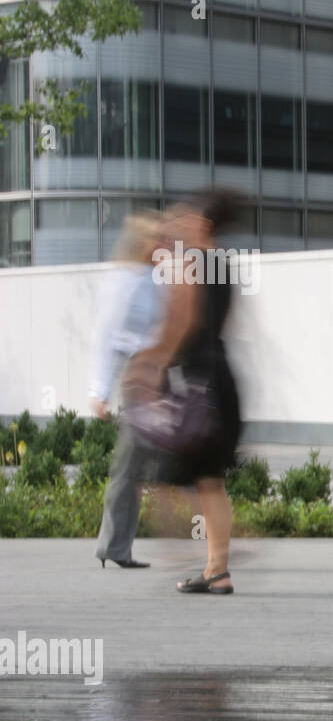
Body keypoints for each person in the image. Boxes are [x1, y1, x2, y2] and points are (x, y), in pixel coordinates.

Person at [129, 190, 243, 593]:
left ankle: (196, 556)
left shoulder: (190, 263)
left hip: (198, 386)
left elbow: (182, 321)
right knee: (210, 480)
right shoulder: (223, 264)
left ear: (203, 225)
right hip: (221, 380)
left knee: (169, 474)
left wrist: (150, 364)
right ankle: (217, 569)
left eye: (184, 219)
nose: (176, 226)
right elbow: (221, 321)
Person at [90, 211, 167, 569]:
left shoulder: (156, 278)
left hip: (160, 377)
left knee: (140, 465)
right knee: (131, 465)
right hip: (138, 379)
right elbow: (106, 336)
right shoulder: (123, 280)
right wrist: (99, 390)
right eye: (156, 238)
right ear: (141, 242)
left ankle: (118, 547)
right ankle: (115, 547)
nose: (162, 244)